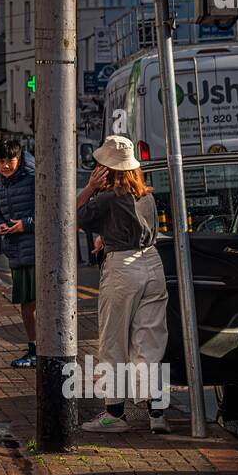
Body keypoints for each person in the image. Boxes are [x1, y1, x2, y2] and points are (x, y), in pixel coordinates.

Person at [75, 134, 169, 433]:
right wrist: (108, 234)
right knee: (149, 342)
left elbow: (70, 216)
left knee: (113, 341)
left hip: (122, 269)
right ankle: (157, 414)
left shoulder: (107, 197)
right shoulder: (146, 194)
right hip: (153, 265)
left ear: (107, 168)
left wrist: (90, 187)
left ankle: (114, 414)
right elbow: (139, 228)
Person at [0, 138, 38, 367]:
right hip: (15, 252)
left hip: (36, 251)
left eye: (10, 160)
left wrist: (25, 225)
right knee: (25, 303)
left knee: (39, 302)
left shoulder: (33, 181)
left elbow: (48, 214)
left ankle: (44, 349)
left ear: (19, 160)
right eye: (1, 161)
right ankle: (33, 347)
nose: (6, 165)